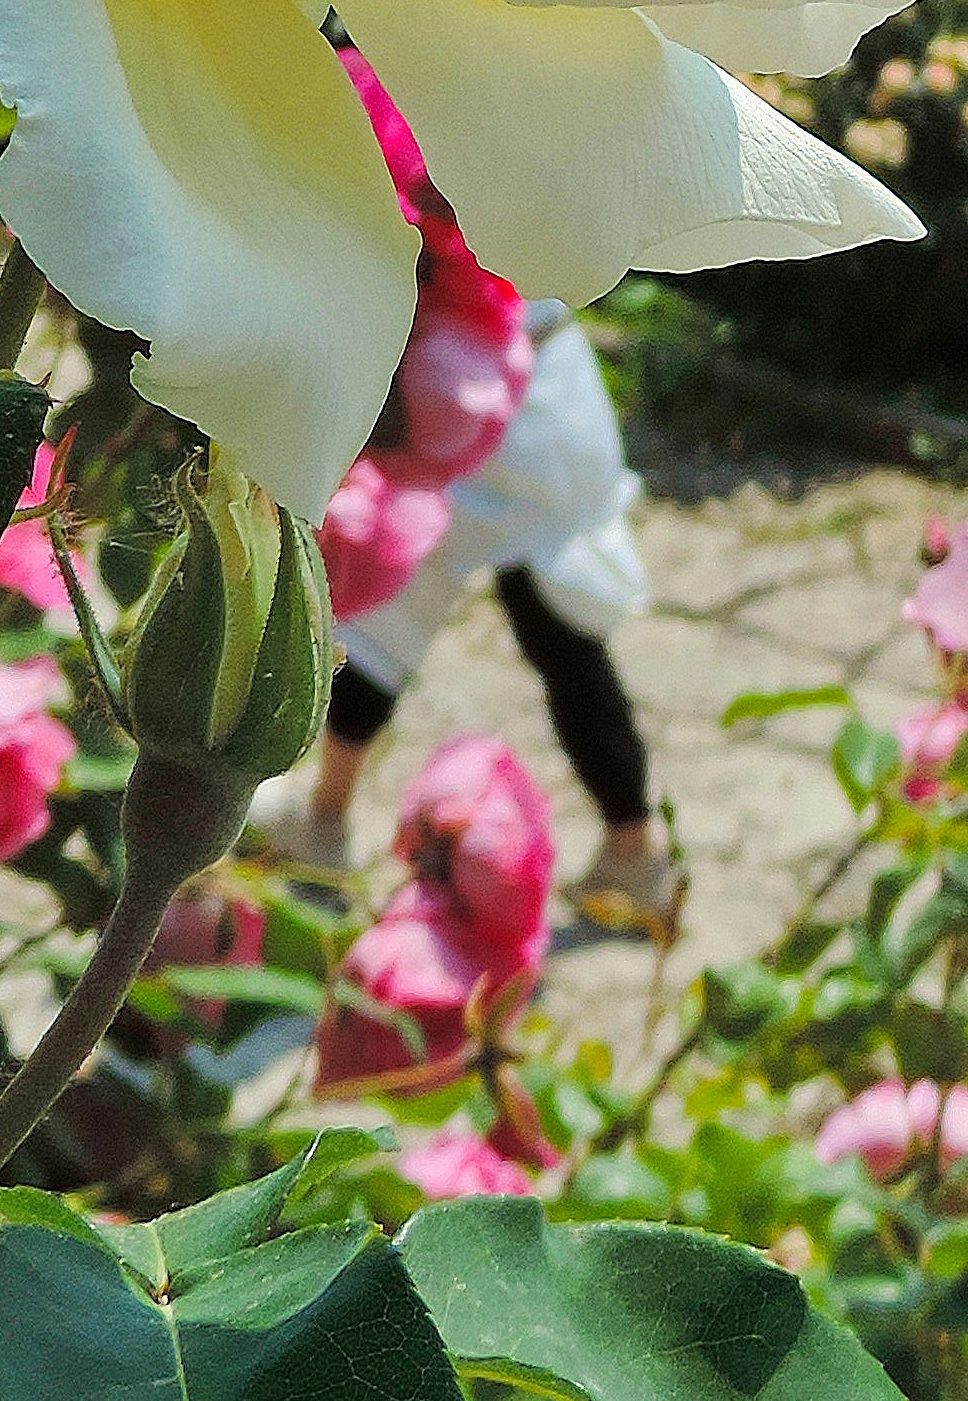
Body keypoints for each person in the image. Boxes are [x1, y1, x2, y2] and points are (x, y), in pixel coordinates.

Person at [259, 308, 677, 933]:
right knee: (558, 635)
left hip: (482, 395)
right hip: (546, 389)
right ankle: (635, 854)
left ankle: (324, 823)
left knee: (390, 614)